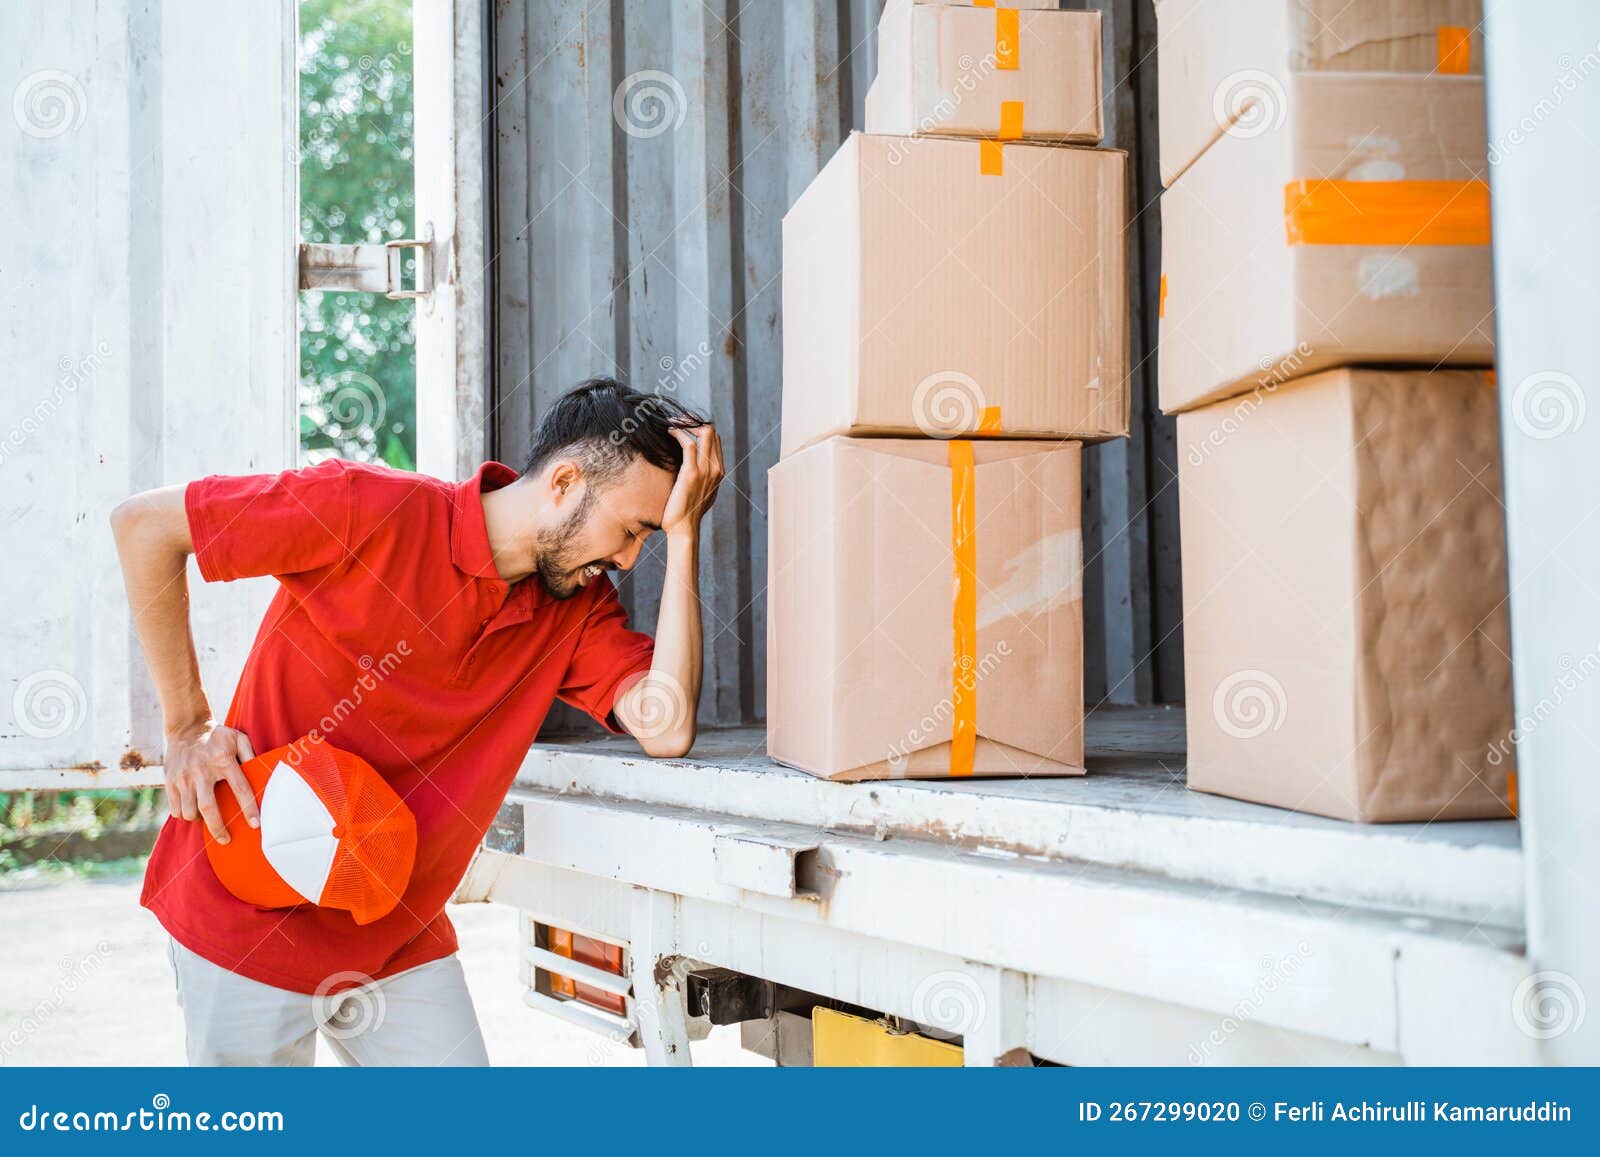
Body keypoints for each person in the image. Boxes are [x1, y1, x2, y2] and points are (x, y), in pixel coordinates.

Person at [109, 378, 724, 1066]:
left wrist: (685, 531)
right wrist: (186, 724)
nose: (628, 558)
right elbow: (145, 526)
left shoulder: (575, 613)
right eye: (633, 529)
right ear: (564, 482)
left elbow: (666, 725)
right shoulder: (366, 507)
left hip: (394, 934)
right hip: (246, 909)